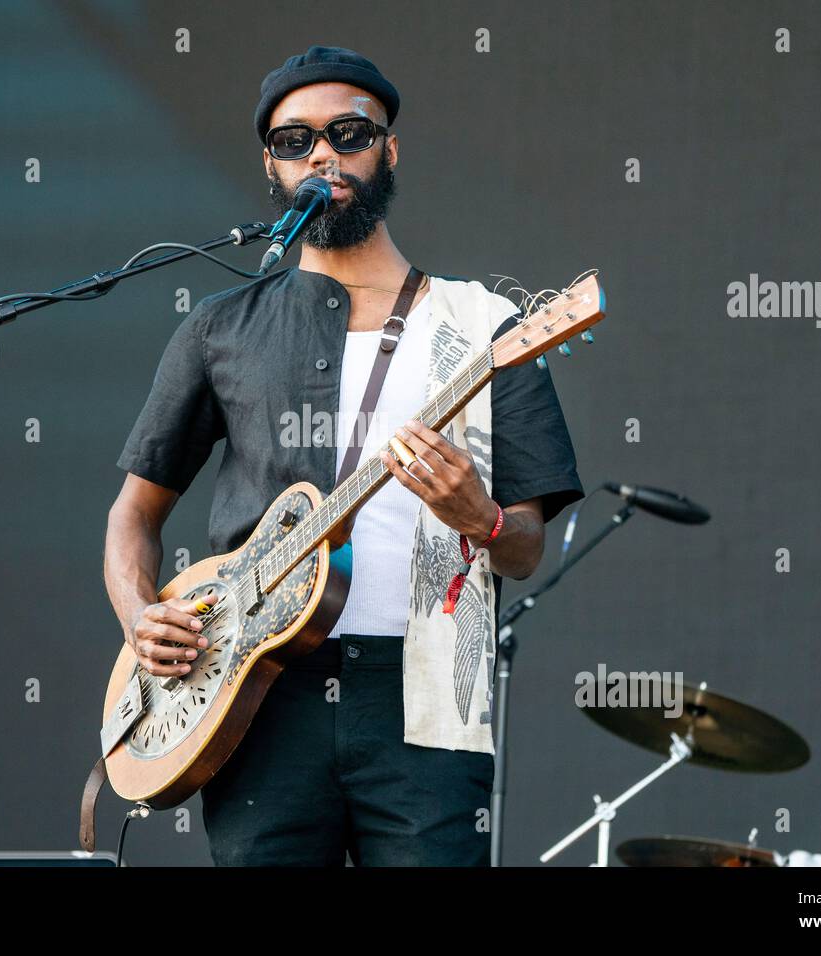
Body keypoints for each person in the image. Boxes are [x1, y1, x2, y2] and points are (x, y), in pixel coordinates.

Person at [104, 45, 583, 865]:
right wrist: (140, 615)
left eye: (348, 131)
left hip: (425, 698)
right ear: (272, 165)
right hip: (256, 698)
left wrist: (483, 516)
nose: (322, 153)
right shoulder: (220, 326)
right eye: (295, 141)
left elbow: (527, 547)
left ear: (388, 149)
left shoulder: (487, 326)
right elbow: (134, 514)